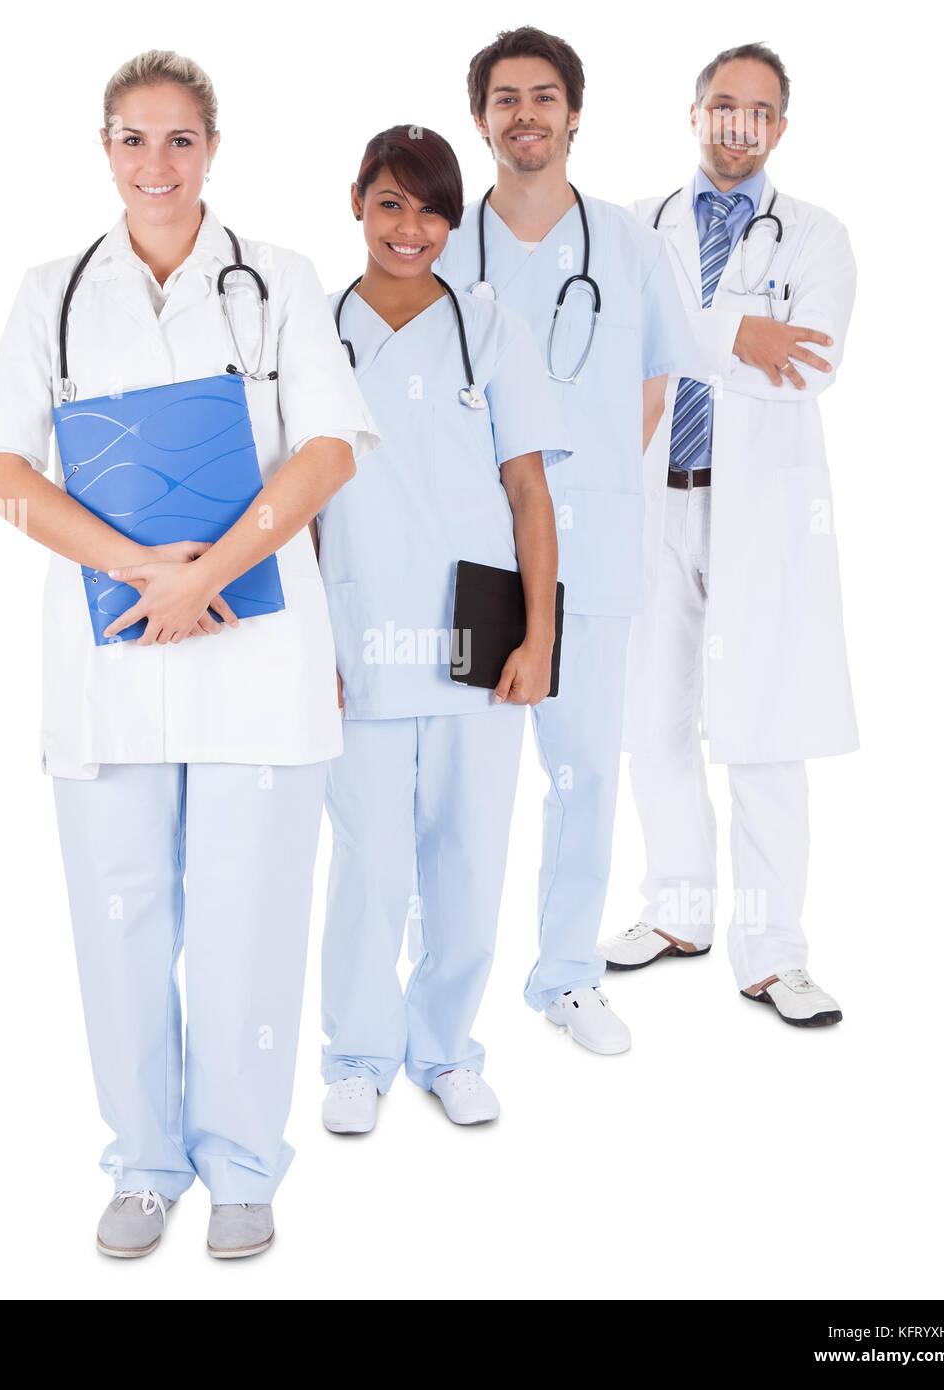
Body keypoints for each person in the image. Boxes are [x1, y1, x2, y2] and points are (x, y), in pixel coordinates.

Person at [0, 50, 378, 1258]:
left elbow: (329, 451)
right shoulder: (50, 290)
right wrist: (152, 571)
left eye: (180, 139)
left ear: (212, 149)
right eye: (133, 139)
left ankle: (242, 1166)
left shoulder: (280, 280)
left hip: (254, 653)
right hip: (116, 659)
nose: (157, 162)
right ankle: (144, 1162)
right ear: (105, 149)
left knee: (249, 919)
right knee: (123, 919)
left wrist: (207, 571)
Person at [436, 28, 691, 1053]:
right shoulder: (445, 244)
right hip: (473, 558)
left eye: (544, 96)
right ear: (480, 118)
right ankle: (445, 996)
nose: (525, 115)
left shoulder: (628, 242)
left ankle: (567, 976)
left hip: (593, 548)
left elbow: (653, 382)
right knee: (466, 788)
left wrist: (570, 485)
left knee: (580, 771)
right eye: (505, 99)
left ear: (574, 114)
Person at [317, 126, 568, 1133]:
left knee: (468, 855)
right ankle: (355, 1057)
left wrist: (538, 636)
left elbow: (530, 490)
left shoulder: (488, 326)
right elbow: (281, 503)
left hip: (476, 630)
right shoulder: (314, 331)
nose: (407, 228)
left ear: (451, 222)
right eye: (388, 203)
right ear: (356, 204)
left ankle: (445, 1050)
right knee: (369, 862)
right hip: (358, 629)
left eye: (428, 209)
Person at [607, 43, 857, 1027]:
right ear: (692, 113)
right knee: (651, 716)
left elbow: (812, 361)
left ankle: (773, 951)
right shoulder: (635, 228)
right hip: (654, 495)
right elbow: (620, 339)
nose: (736, 124)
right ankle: (675, 912)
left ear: (778, 128)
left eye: (757, 111)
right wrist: (738, 332)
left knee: (762, 723)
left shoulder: (818, 237)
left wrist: (698, 332)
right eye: (721, 104)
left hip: (757, 509)